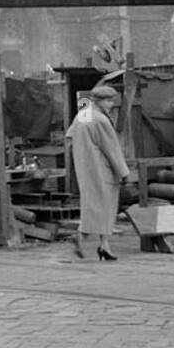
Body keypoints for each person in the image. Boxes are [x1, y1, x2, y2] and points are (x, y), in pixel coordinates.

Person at [65, 84, 130, 263]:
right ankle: (82, 236)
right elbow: (111, 148)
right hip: (102, 169)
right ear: (99, 101)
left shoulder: (82, 115)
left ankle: (104, 246)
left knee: (93, 204)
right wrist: (123, 171)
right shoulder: (100, 120)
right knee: (105, 205)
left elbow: (69, 136)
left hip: (84, 167)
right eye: (108, 101)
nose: (111, 104)